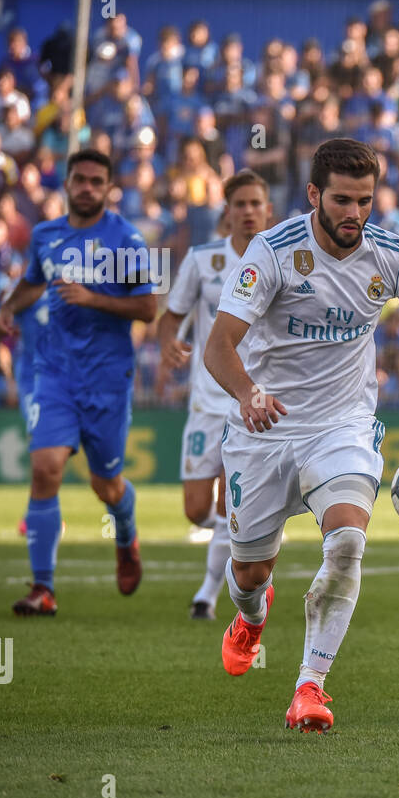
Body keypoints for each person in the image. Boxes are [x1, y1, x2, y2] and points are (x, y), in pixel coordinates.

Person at [204, 138, 399, 732]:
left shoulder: (390, 254)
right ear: (314, 195)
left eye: (366, 201)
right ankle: (250, 618)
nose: (355, 214)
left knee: (348, 541)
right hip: (263, 431)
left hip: (342, 425)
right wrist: (248, 393)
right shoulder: (271, 254)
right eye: (343, 200)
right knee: (250, 574)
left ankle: (310, 686)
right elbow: (217, 347)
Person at [0, 149, 157, 616]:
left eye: (96, 181)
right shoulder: (45, 235)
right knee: (45, 467)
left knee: (106, 485)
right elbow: (33, 282)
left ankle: (125, 533)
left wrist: (92, 298)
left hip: (107, 378)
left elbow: (149, 309)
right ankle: (42, 588)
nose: (86, 187)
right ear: (66, 184)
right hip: (55, 373)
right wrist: (9, 306)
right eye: (79, 179)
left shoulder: (129, 240)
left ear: (108, 188)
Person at [156, 170, 273, 619]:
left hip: (250, 402)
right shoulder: (203, 261)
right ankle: (245, 542)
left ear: (268, 210)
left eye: (255, 204)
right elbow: (173, 314)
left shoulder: (281, 262)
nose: (248, 212)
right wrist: (169, 341)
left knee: (229, 502)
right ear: (227, 211)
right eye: (239, 204)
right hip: (206, 401)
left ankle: (207, 594)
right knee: (196, 509)